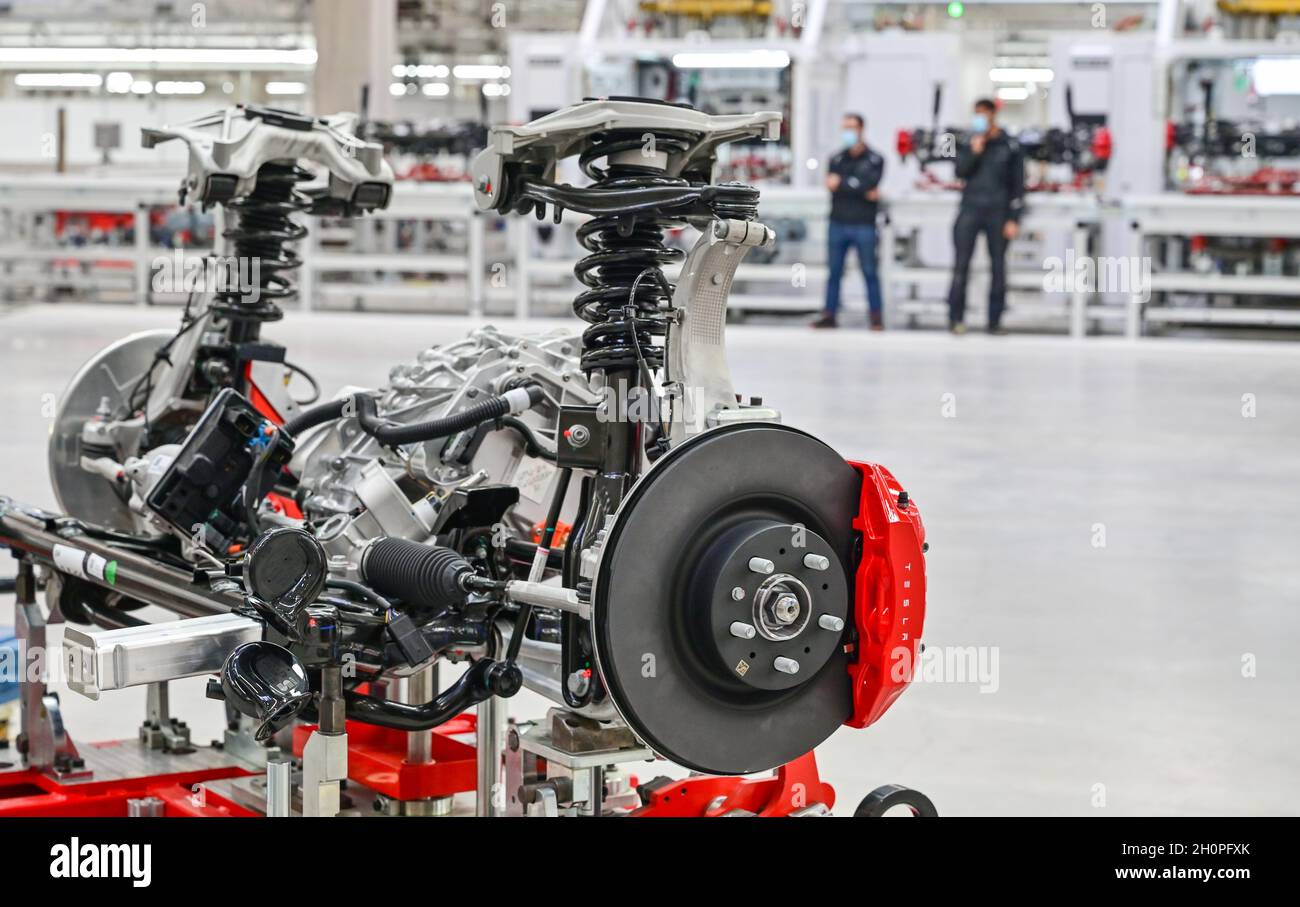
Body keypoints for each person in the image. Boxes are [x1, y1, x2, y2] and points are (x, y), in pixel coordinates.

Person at [947, 98, 1025, 335]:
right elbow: (959, 171)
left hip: (997, 212)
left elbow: (1018, 185)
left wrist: (1013, 218)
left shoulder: (1010, 145)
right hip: (970, 208)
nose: (979, 118)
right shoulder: (966, 141)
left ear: (993, 115)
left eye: (983, 113)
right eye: (976, 113)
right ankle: (955, 319)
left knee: (998, 268)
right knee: (961, 265)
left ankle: (994, 321)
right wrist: (974, 151)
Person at [812, 113, 885, 330]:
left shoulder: (875, 159)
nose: (848, 132)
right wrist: (859, 187)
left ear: (862, 129)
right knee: (834, 272)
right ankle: (829, 314)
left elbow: (867, 184)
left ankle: (876, 316)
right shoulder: (836, 158)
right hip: (838, 222)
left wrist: (843, 183)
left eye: (852, 127)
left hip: (864, 223)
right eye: (845, 128)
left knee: (870, 271)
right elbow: (861, 188)